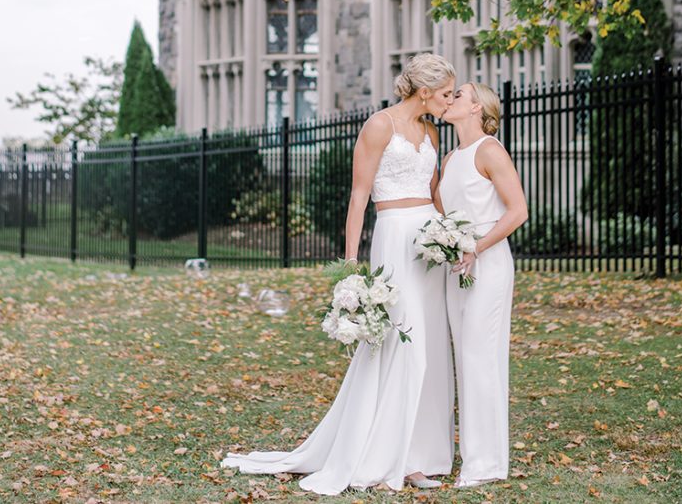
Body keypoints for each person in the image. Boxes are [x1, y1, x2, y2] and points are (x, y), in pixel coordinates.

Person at [222, 53, 457, 495]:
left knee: (431, 347)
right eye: (446, 94)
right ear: (424, 91)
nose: (449, 101)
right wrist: (352, 263)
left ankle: (421, 456)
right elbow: (359, 196)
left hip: (428, 243)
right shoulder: (379, 126)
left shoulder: (430, 130)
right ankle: (388, 453)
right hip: (394, 236)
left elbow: (435, 191)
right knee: (403, 344)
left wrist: (451, 236)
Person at [437, 82, 528, 488]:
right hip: (455, 266)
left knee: (481, 358)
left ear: (477, 108)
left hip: (488, 265)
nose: (450, 98)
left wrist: (477, 246)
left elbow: (518, 210)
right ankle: (472, 456)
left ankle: (487, 463)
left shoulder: (490, 149)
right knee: (464, 359)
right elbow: (443, 212)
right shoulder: (451, 156)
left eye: (459, 94)